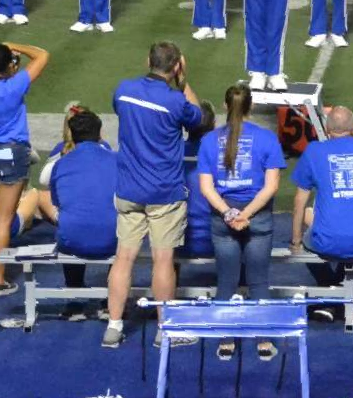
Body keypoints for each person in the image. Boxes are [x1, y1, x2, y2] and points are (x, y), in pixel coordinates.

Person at [103, 43, 204, 348]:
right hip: (164, 192)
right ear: (176, 66)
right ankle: (164, 330)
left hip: (129, 190)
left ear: (148, 60)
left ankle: (113, 326)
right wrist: (184, 82)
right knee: (163, 260)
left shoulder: (123, 90)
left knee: (123, 258)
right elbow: (199, 118)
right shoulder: (175, 101)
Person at [196, 85, 287, 363]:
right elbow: (271, 186)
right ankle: (263, 341)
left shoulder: (209, 141)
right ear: (252, 106)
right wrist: (246, 214)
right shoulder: (267, 138)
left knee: (226, 281)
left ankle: (226, 340)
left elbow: (206, 188)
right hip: (257, 217)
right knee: (259, 281)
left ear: (226, 107)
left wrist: (229, 213)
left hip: (223, 218)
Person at [0, 42, 47, 294]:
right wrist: (14, 46)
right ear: (7, 66)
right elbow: (42, 55)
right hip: (11, 154)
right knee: (5, 220)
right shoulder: (13, 86)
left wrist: (9, 60)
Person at [290, 106, 353, 267]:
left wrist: (296, 240)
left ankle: (328, 279)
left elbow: (299, 201)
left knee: (311, 235)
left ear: (327, 128)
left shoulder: (314, 151)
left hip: (327, 242)